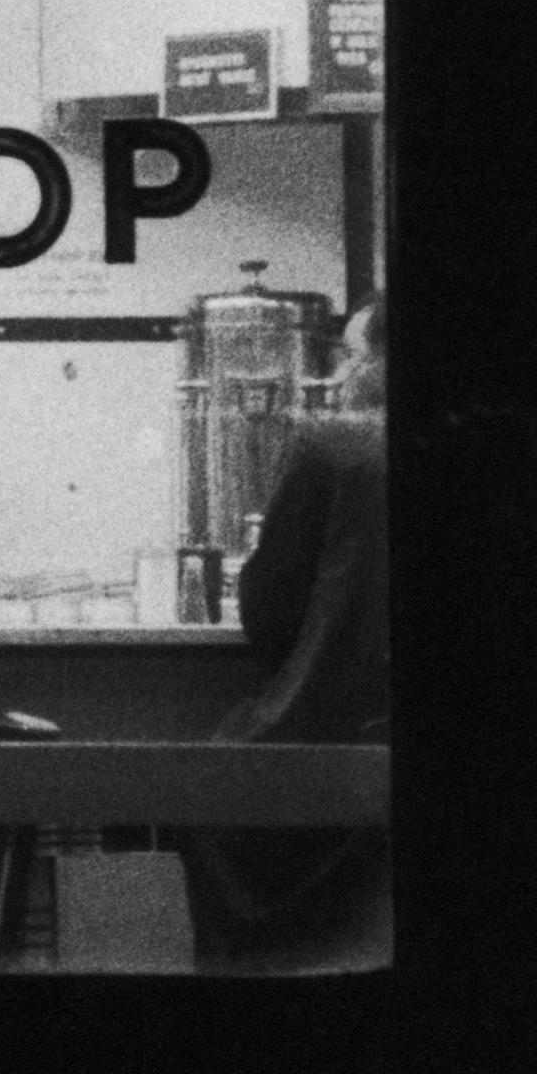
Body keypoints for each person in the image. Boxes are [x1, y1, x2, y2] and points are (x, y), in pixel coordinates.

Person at [183, 294, 390, 972]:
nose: (344, 373)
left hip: (339, 738)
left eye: (356, 355)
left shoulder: (333, 444)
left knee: (212, 784)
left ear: (385, 361)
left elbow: (267, 610)